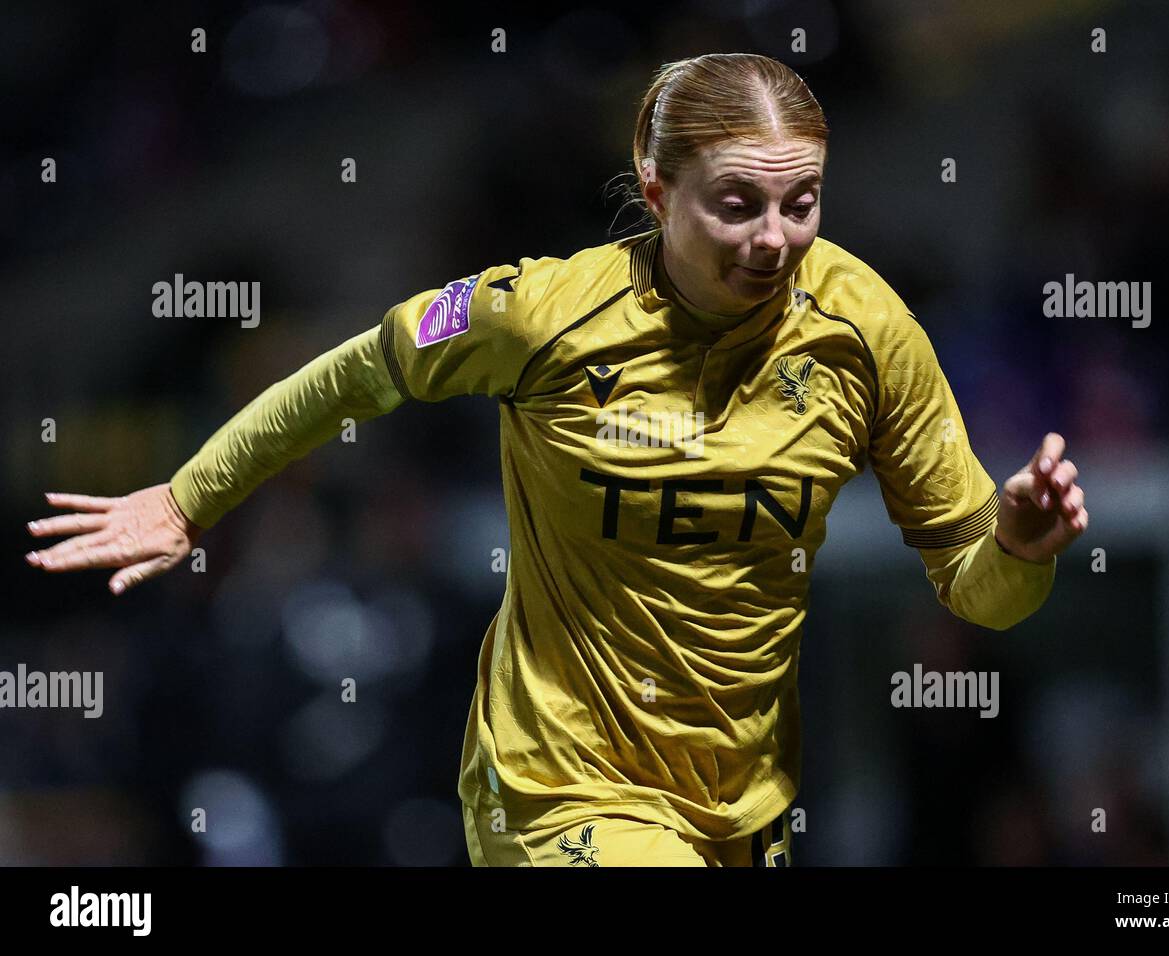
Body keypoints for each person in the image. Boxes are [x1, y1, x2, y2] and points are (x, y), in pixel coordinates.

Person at [23, 53, 1087, 866]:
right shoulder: (538, 314)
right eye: (736, 202)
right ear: (657, 189)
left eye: (799, 202)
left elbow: (978, 589)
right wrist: (191, 496)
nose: (774, 237)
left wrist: (1022, 546)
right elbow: (357, 373)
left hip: (744, 803)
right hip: (555, 784)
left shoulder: (863, 328)